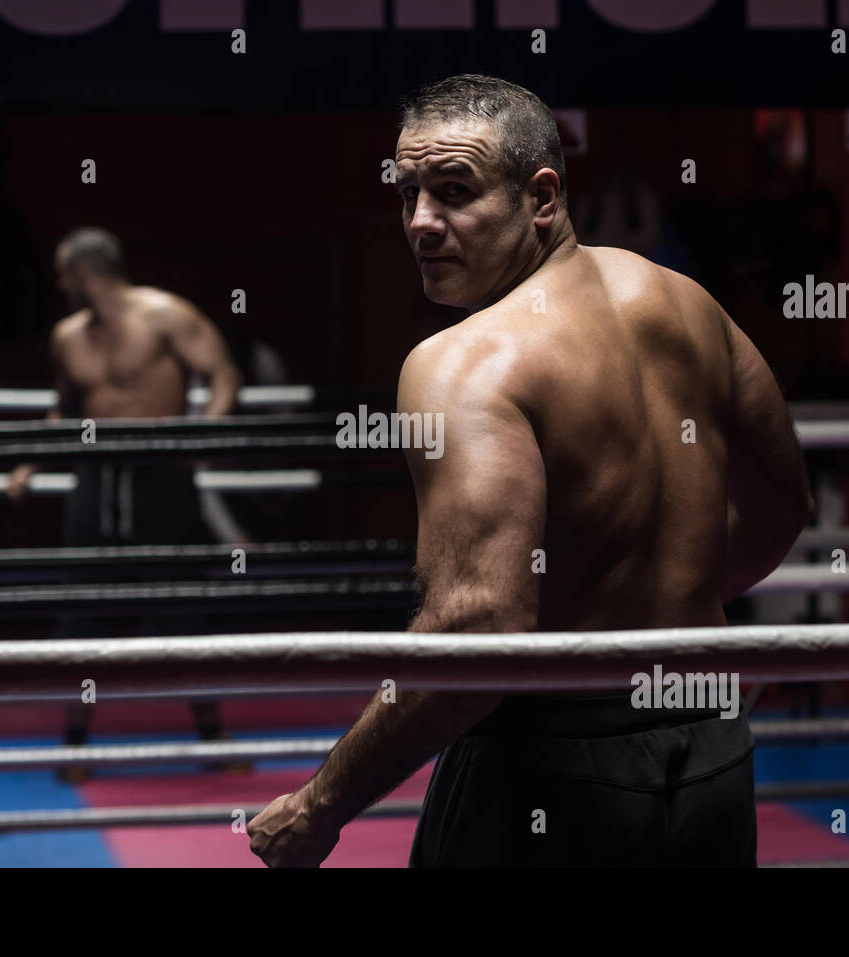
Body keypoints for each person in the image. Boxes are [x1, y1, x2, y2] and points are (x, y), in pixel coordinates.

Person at [247, 75, 814, 866]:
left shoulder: (465, 361)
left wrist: (320, 804)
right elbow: (783, 506)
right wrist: (656, 615)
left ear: (541, 198)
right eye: (407, 193)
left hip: (548, 773)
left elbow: (479, 627)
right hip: (711, 750)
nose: (421, 223)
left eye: (453, 192)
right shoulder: (689, 305)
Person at [6, 227, 244, 771]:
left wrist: (207, 432)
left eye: (65, 275)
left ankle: (214, 739)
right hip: (95, 481)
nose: (60, 285)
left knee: (183, 610)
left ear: (84, 274)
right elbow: (64, 411)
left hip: (162, 478)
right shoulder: (67, 337)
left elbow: (224, 371)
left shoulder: (165, 315)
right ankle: (74, 747)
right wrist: (29, 462)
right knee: (82, 616)